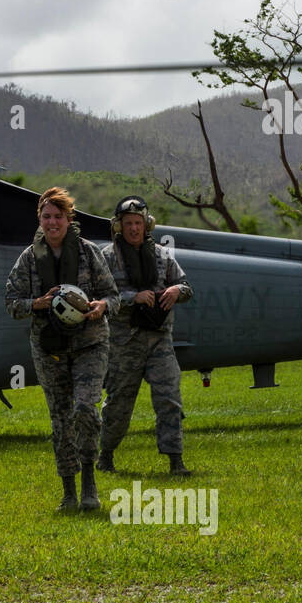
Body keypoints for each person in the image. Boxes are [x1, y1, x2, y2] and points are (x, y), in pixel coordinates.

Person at [5, 187, 119, 512]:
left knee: (84, 408)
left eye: (58, 216)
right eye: (46, 217)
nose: (52, 223)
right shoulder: (28, 259)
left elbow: (114, 296)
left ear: (69, 219)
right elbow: (11, 303)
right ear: (39, 220)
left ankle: (89, 483)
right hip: (49, 349)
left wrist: (100, 306)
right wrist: (37, 303)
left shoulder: (88, 253)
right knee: (60, 420)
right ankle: (69, 493)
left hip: (90, 343)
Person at [98, 196, 194, 476]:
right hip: (124, 343)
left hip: (159, 340)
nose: (134, 229)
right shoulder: (106, 257)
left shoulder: (163, 256)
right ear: (119, 226)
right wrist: (132, 297)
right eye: (128, 223)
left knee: (169, 398)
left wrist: (177, 291)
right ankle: (105, 455)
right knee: (118, 403)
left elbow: (187, 286)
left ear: (147, 224)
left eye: (138, 223)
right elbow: (99, 298)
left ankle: (175, 460)